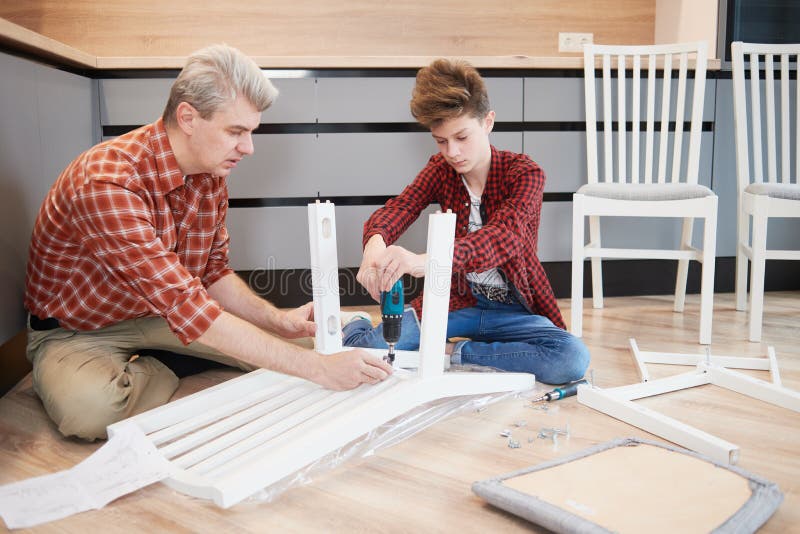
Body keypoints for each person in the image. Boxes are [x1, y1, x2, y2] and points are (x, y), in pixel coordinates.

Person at [24, 44, 392, 441]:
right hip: (80, 329)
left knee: (308, 345)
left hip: (161, 312)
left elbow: (214, 273)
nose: (248, 148)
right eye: (236, 132)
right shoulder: (107, 182)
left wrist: (278, 322)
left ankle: (181, 349)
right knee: (90, 413)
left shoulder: (210, 172)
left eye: (250, 132)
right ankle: (168, 363)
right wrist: (319, 372)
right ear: (188, 118)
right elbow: (188, 306)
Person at [344, 58, 589, 384]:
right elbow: (401, 207)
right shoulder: (440, 169)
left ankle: (452, 354)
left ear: (488, 122)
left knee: (570, 358)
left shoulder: (525, 173)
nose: (453, 152)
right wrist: (375, 243)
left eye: (462, 137)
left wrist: (423, 262)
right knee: (373, 349)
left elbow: (502, 238)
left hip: (514, 309)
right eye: (441, 141)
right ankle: (356, 322)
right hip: (457, 303)